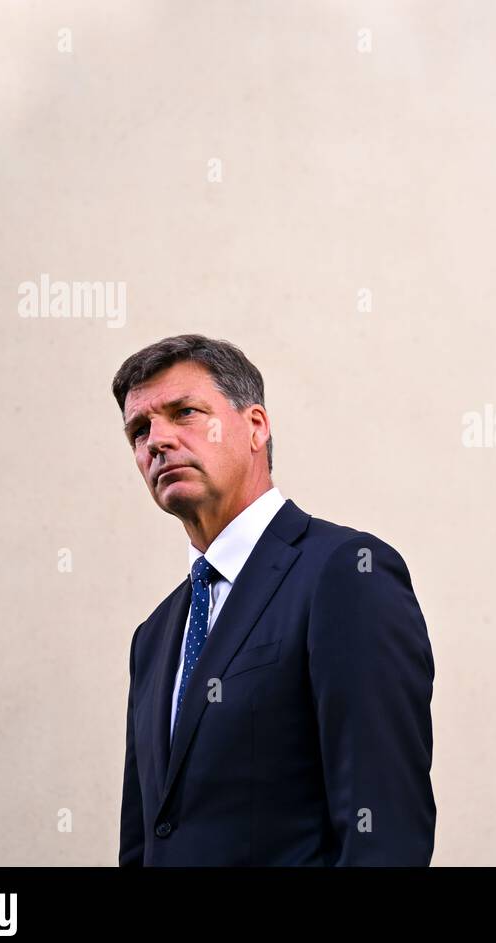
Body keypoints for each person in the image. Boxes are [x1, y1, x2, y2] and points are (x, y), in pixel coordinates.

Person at [114, 334, 435, 865]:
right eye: (139, 429)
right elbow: (146, 842)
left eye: (184, 413)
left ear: (255, 427)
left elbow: (385, 827)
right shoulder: (153, 636)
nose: (158, 440)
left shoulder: (345, 573)